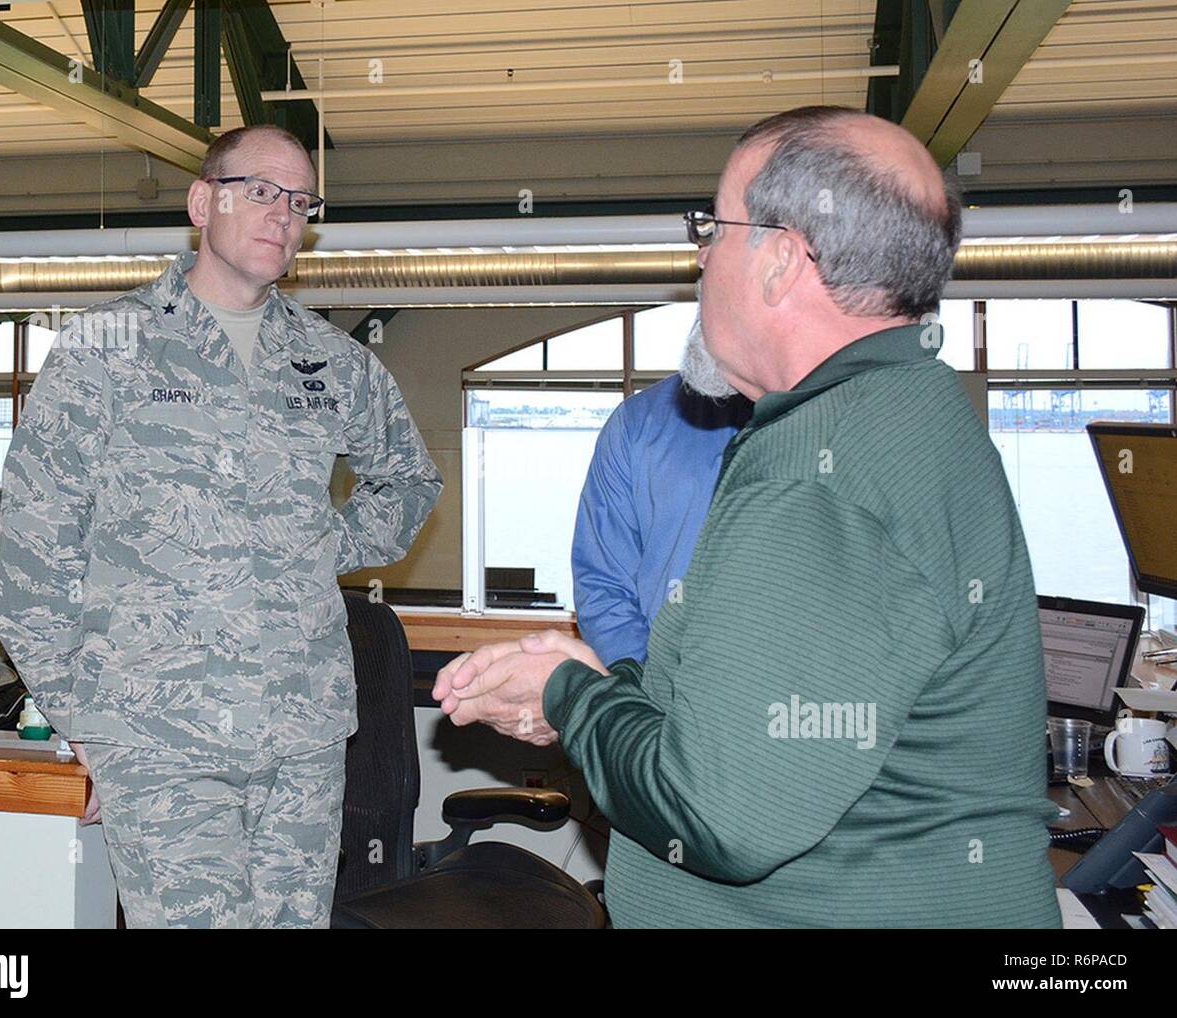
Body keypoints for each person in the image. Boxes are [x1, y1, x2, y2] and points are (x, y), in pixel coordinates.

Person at [434, 105, 1061, 928]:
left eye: (713, 227)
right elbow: (751, 727)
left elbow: (718, 816)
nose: (699, 257)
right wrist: (607, 686)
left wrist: (567, 696)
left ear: (779, 261)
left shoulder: (820, 473)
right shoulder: (905, 410)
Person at [0, 124, 442, 928]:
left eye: (301, 201)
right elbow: (35, 551)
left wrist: (329, 543)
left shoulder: (331, 361)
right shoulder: (105, 348)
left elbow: (409, 479)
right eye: (261, 191)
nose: (283, 216)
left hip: (302, 734)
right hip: (157, 731)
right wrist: (80, 717)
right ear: (204, 202)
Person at [571, 345, 750, 666]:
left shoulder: (844, 417)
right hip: (660, 690)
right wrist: (646, 689)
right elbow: (602, 586)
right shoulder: (637, 424)